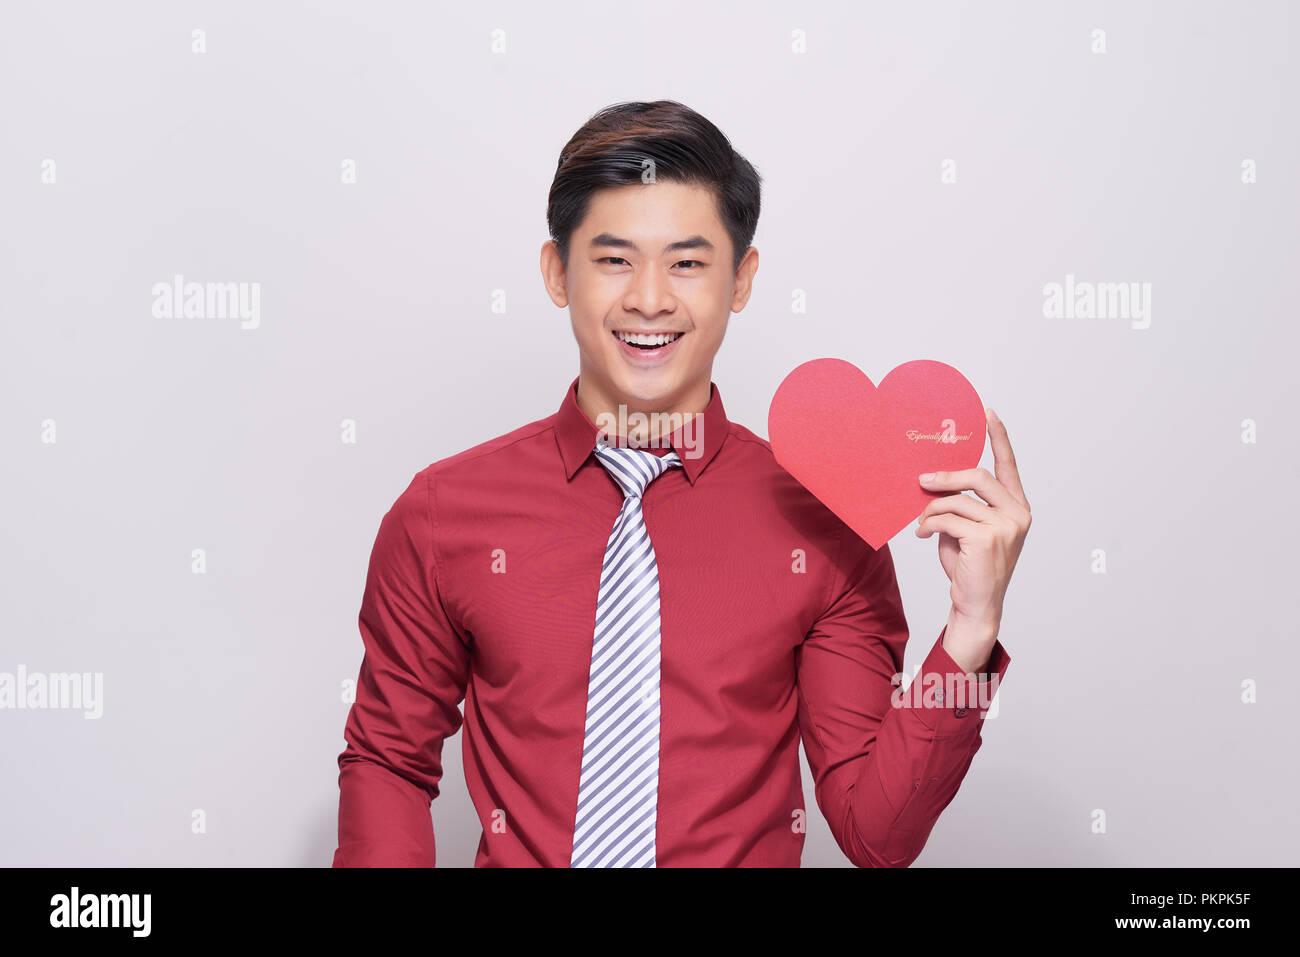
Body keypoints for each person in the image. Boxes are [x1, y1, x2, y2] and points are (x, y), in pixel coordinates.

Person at [332, 100, 1031, 868]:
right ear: (556, 272)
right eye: (614, 259)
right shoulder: (442, 515)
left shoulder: (825, 523)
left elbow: (879, 834)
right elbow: (388, 759)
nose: (650, 298)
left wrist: (968, 635)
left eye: (689, 262)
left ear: (742, 279)